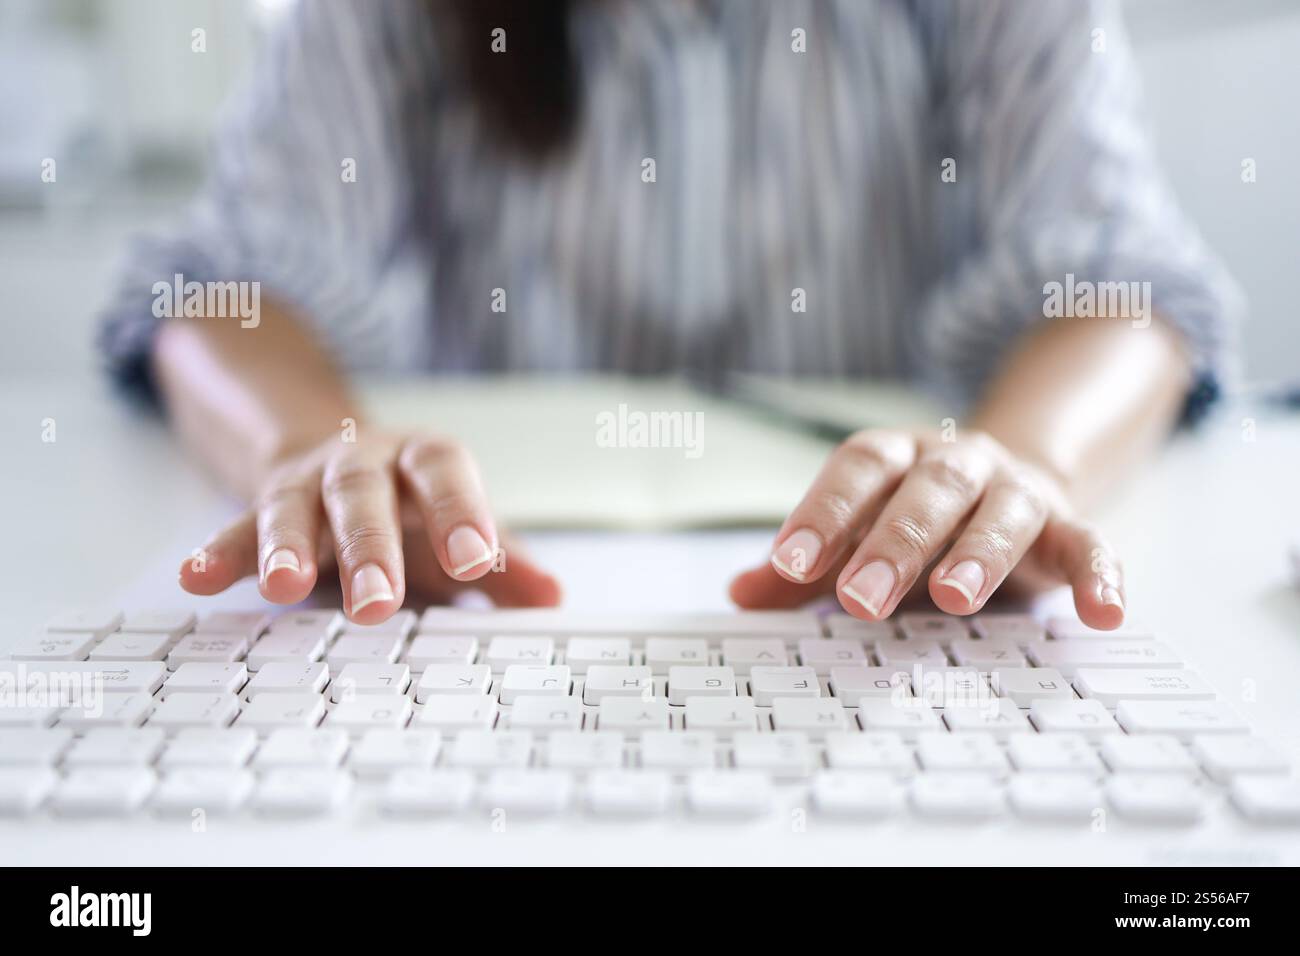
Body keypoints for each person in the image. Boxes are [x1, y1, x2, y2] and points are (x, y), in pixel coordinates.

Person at [98, 0, 1238, 627]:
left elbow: (1128, 286)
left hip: (890, 591)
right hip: (468, 589)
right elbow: (216, 289)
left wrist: (1018, 462)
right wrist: (308, 452)